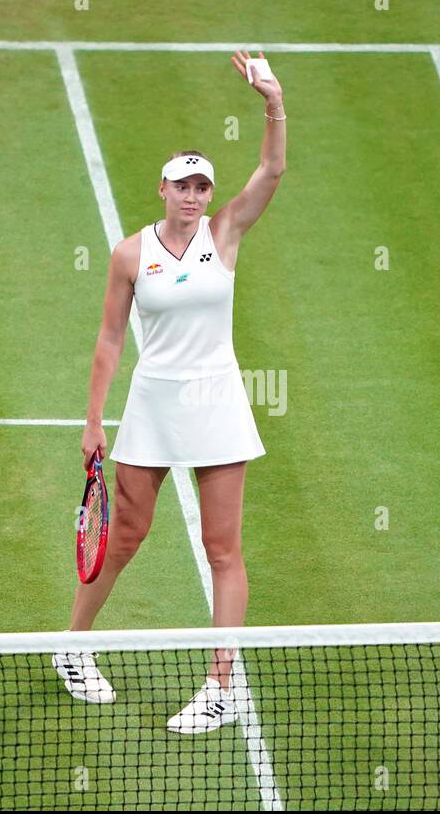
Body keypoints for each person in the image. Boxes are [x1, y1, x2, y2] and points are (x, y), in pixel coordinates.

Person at [54, 50, 287, 734]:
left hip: (216, 401)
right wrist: (94, 420)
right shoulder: (130, 254)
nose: (192, 195)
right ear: (162, 188)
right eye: (182, 185)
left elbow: (272, 170)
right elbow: (109, 341)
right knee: (125, 535)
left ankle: (220, 685)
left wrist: (272, 101)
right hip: (155, 402)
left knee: (224, 549)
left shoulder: (226, 234)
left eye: (201, 186)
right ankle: (72, 650)